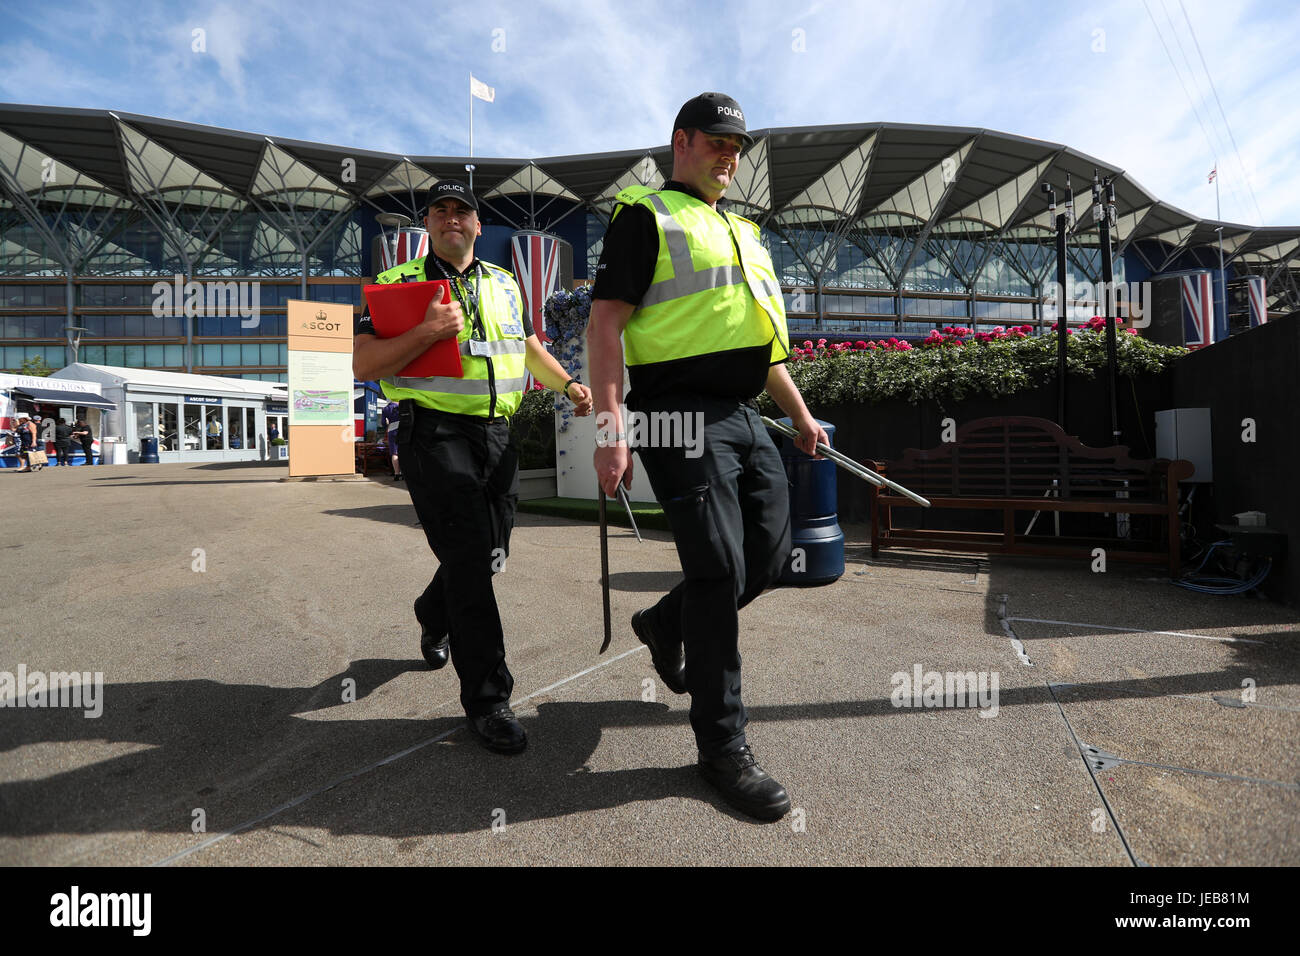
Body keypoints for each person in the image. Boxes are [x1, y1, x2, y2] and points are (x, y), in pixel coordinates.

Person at [587, 93, 829, 821]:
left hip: (744, 414)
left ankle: (666, 624)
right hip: (675, 415)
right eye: (718, 142)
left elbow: (765, 349)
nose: (730, 157)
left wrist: (802, 415)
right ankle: (722, 747)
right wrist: (611, 429)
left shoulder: (744, 232)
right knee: (718, 568)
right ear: (681, 141)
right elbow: (604, 325)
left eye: (738, 147)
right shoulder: (645, 216)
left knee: (774, 549)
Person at [353, 180, 593, 754]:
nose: (451, 218)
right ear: (428, 225)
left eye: (461, 210)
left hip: (496, 432)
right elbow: (363, 362)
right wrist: (426, 331)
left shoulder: (504, 282)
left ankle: (431, 611)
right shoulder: (395, 284)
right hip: (432, 430)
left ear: (478, 225)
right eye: (440, 211)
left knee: (491, 551)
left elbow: (529, 344)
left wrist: (567, 383)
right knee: (467, 558)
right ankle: (489, 700)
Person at [381, 399, 402, 479]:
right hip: (402, 430)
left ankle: (397, 474)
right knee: (403, 452)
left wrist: (387, 423)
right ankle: (404, 473)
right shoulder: (401, 406)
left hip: (392, 431)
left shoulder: (385, 409)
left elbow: (383, 423)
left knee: (394, 453)